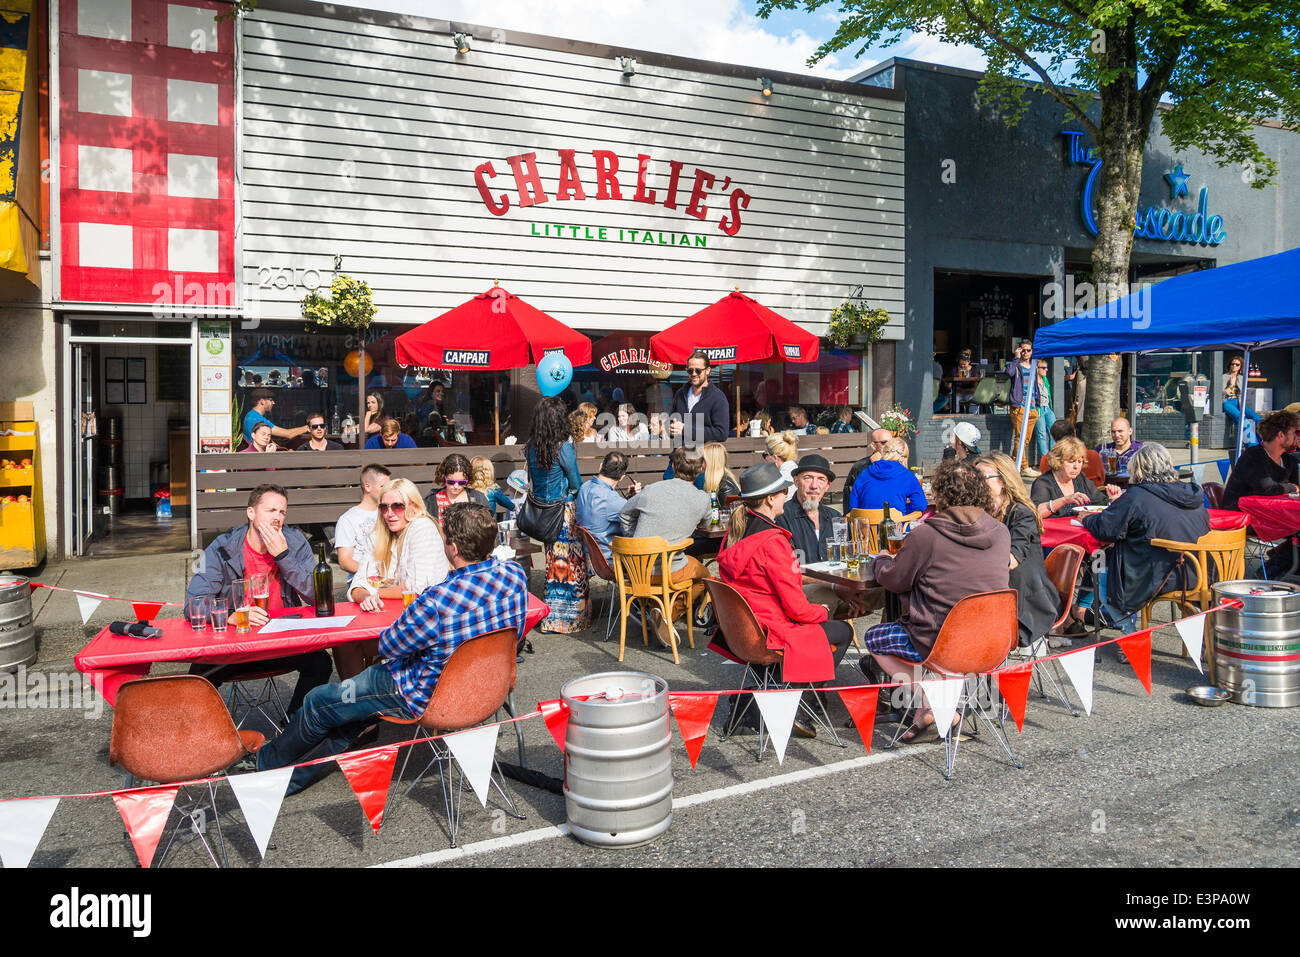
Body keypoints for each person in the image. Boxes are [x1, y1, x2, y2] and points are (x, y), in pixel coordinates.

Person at [253, 502, 528, 795]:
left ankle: (265, 763)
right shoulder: (515, 576)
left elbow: (389, 646)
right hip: (487, 687)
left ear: (453, 549)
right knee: (350, 714)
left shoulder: (437, 600)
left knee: (319, 700)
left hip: (422, 692)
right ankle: (290, 779)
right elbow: (516, 632)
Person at [861, 460, 1011, 741]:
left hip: (941, 641)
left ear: (939, 495)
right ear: (980, 492)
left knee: (875, 637)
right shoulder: (1001, 532)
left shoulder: (926, 535)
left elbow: (894, 579)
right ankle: (928, 711)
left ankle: (934, 703)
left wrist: (882, 559)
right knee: (927, 632)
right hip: (993, 642)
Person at [714, 462, 855, 736]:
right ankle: (796, 702)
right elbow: (798, 610)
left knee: (824, 623)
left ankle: (756, 703)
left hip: (743, 631)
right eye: (782, 492)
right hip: (771, 633)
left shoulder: (734, 535)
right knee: (841, 630)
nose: (786, 497)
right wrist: (824, 611)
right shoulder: (773, 542)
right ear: (770, 499)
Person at [185, 485, 333, 717]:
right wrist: (232, 615)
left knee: (321, 663)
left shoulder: (294, 542)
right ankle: (210, 738)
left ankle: (294, 729)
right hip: (236, 645)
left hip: (281, 642)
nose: (277, 517)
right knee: (196, 677)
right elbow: (194, 602)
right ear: (251, 513)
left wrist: (284, 557)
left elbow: (317, 596)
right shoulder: (221, 547)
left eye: (282, 512)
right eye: (271, 510)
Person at [1081, 443, 1209, 628]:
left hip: (1158, 576)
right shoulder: (1191, 493)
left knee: (1101, 569)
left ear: (1137, 469)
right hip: (1199, 573)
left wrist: (1087, 519)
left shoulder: (1137, 495)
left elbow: (1106, 530)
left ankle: (1132, 639)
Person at [341, 478, 452, 678]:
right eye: (384, 507)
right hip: (393, 621)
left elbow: (415, 588)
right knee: (344, 644)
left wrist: (374, 592)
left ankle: (374, 697)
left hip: (427, 625)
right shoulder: (378, 535)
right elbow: (358, 583)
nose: (389, 513)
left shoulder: (422, 527)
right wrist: (365, 596)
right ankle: (358, 704)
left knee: (351, 645)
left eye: (397, 506)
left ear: (414, 507)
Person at [619, 446, 713, 645]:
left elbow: (624, 513)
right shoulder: (702, 499)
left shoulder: (652, 489)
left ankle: (658, 613)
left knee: (682, 566)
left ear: (672, 465)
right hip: (670, 570)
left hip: (636, 569)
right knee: (705, 578)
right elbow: (706, 525)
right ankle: (669, 616)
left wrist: (632, 541)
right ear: (701, 469)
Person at [973, 453, 1060, 648]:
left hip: (1025, 605)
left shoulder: (1022, 514)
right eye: (973, 476)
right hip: (995, 593)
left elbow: (1011, 561)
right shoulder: (982, 512)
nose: (975, 481)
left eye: (981, 477)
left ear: (1003, 481)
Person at [527, 396, 588, 633]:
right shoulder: (563, 446)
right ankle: (572, 620)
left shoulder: (532, 445)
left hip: (543, 511)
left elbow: (534, 480)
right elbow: (575, 482)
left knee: (553, 564)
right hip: (563, 511)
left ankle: (552, 618)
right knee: (572, 566)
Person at [1222, 409, 1299, 511]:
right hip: (1243, 516)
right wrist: (1291, 488)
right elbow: (1267, 489)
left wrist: (1292, 488)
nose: (1296, 437)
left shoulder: (1289, 461)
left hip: (1273, 512)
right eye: (1293, 433)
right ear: (1281, 435)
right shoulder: (1253, 456)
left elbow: (1296, 492)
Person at [1032, 436, 1121, 518]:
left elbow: (1100, 502)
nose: (1076, 466)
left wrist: (1113, 499)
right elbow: (1037, 513)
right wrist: (1064, 500)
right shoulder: (1043, 483)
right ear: (1058, 461)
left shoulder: (1080, 478)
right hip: (1055, 533)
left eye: (1080, 461)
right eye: (1071, 461)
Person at [577, 451, 640, 564]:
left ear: (601, 466)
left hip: (588, 553)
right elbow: (636, 520)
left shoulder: (584, 487)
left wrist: (628, 498)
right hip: (610, 559)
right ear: (622, 477)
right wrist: (635, 498)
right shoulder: (613, 501)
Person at [775, 454, 840, 565]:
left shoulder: (836, 517)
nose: (814, 485)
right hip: (800, 582)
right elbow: (784, 568)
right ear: (796, 482)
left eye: (821, 479)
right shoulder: (781, 517)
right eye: (808, 478)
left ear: (827, 486)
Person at [334, 463, 391, 584]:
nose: (388, 491)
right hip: (362, 580)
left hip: (391, 577)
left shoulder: (391, 513)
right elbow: (345, 561)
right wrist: (374, 575)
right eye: (383, 486)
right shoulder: (347, 519)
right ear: (367, 486)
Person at [848, 437, 927, 513]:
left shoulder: (865, 473)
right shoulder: (907, 476)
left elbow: (853, 506)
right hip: (897, 525)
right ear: (903, 457)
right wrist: (902, 512)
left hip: (867, 525)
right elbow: (920, 505)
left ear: (884, 452)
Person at [669, 349, 730, 445]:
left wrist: (686, 429)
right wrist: (668, 429)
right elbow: (672, 422)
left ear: (708, 371)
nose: (694, 374)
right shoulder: (680, 394)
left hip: (703, 458)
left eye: (698, 370)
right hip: (679, 457)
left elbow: (721, 433)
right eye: (690, 370)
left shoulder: (718, 397)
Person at [424, 452, 491, 527]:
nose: (456, 486)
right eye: (451, 482)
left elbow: (488, 527)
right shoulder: (432, 500)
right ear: (443, 477)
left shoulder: (478, 498)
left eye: (461, 482)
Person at [1038, 419, 1106, 486]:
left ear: (1053, 438)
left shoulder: (1046, 460)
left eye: (1079, 461)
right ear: (1074, 433)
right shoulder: (1093, 455)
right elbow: (1102, 479)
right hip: (1093, 494)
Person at [841, 427, 893, 509]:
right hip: (869, 515)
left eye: (891, 442)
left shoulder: (897, 464)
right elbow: (852, 495)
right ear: (873, 446)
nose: (889, 446)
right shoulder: (861, 466)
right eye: (884, 443)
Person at [243, 388, 308, 445]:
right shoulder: (256, 419)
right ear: (262, 402)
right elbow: (288, 434)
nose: (273, 403)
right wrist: (309, 427)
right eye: (271, 400)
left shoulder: (251, 415)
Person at [1222, 354, 1261, 446]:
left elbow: (1241, 395)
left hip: (1238, 402)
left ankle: (1261, 442)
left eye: (1237, 364)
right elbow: (1221, 393)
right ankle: (1252, 445)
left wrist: (1242, 407)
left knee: (1257, 418)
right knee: (1242, 419)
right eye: (1232, 364)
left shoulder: (1241, 378)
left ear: (1241, 367)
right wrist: (1231, 384)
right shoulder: (1223, 377)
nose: (1234, 366)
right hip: (1227, 402)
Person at [1032, 358, 1056, 461]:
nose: (1046, 370)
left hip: (1048, 408)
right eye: (1044, 368)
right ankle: (1045, 461)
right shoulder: (1032, 381)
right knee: (1041, 434)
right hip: (1039, 408)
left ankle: (1054, 458)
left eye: (1047, 368)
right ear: (1037, 368)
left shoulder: (1045, 380)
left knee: (1054, 432)